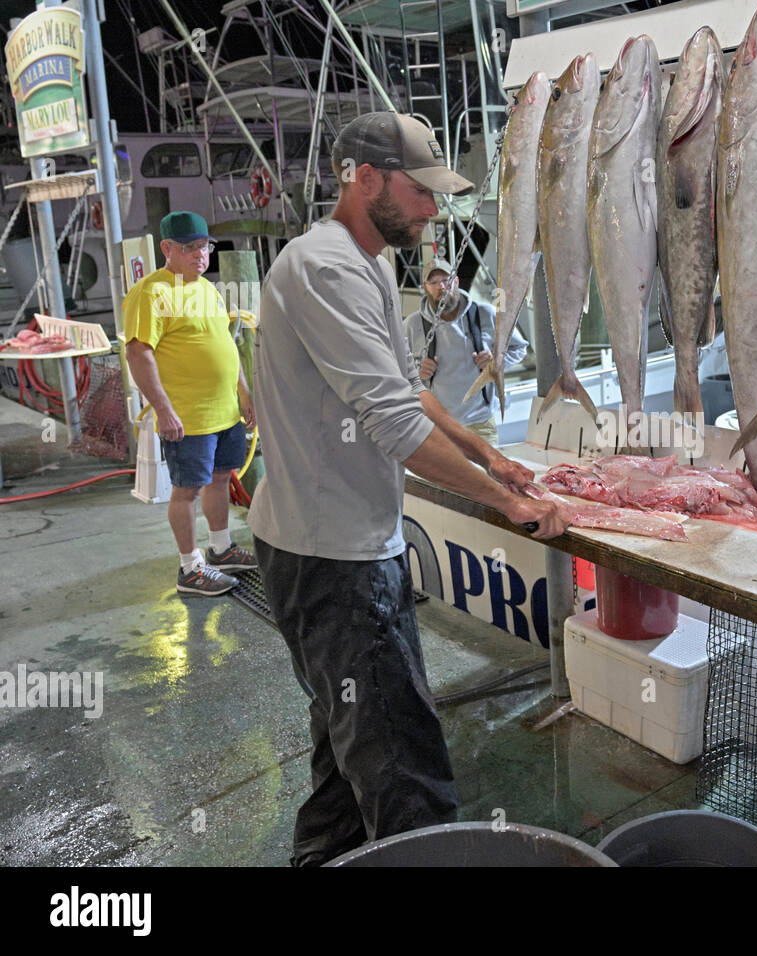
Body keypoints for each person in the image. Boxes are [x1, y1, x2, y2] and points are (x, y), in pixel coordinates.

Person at [248, 111, 567, 867]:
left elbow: (408, 390)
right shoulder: (324, 266)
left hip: (333, 544)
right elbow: (392, 421)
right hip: (335, 561)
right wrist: (513, 508)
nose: (433, 209)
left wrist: (493, 460)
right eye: (419, 191)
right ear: (364, 179)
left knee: (345, 746)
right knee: (404, 770)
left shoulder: (364, 265)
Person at [122, 211, 257, 596]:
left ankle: (220, 549)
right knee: (186, 491)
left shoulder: (208, 289)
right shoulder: (151, 293)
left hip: (224, 411)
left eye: (205, 246)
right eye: (190, 247)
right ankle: (189, 568)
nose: (201, 254)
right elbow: (138, 354)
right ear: (167, 248)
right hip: (188, 417)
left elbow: (225, 346)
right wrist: (164, 410)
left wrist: (243, 392)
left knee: (219, 479)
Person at [403, 258, 527, 444]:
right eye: (434, 282)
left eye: (447, 280)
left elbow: (519, 348)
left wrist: (496, 362)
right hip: (436, 426)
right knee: (443, 474)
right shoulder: (412, 325)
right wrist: (416, 372)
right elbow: (392, 367)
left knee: (488, 474)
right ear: (425, 288)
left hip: (480, 424)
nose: (441, 287)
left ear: (457, 281)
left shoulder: (486, 313)